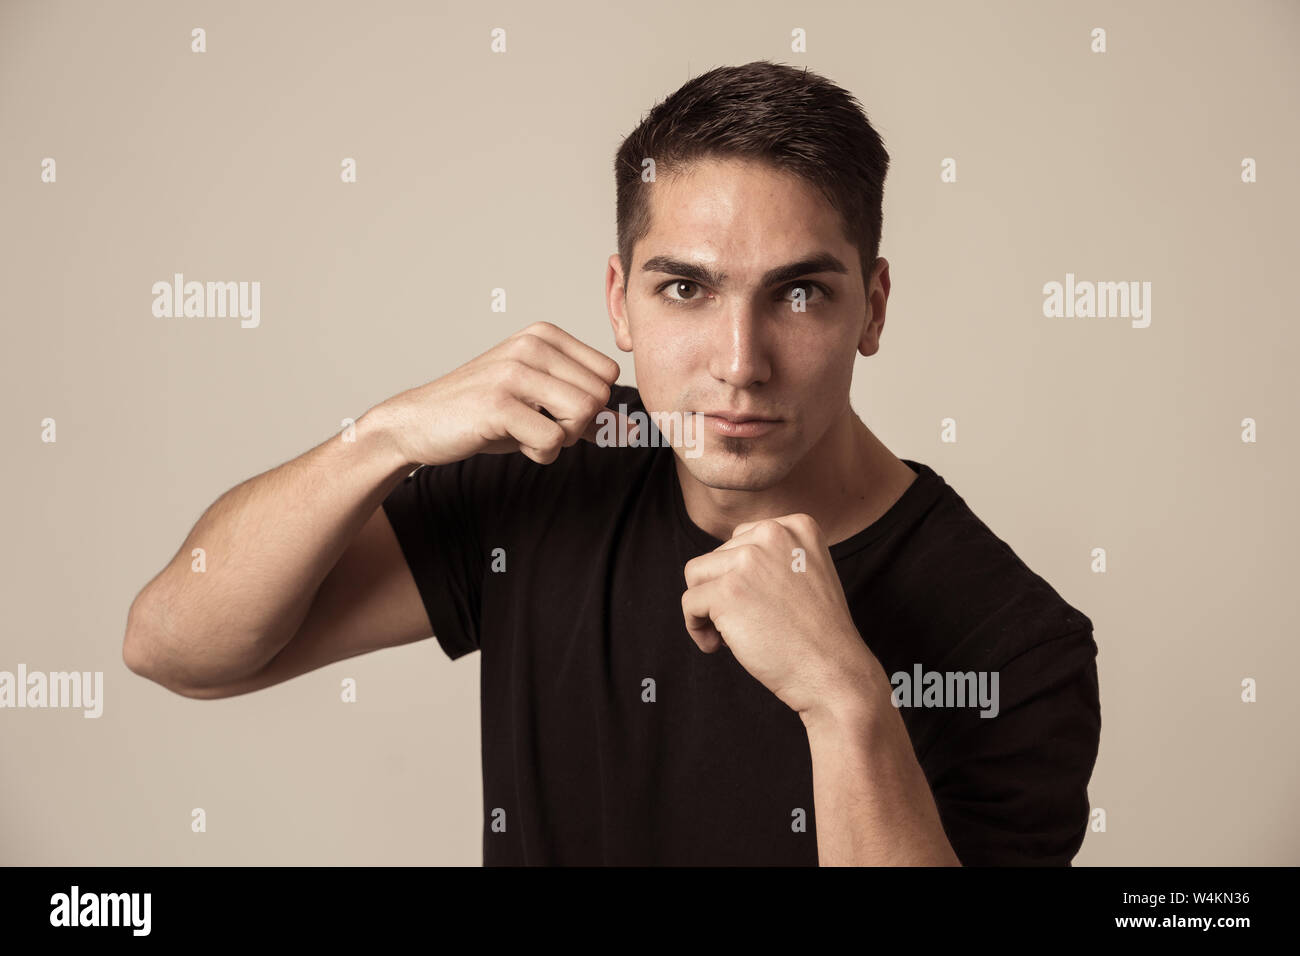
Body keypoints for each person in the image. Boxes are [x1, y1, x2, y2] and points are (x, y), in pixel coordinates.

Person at [124, 60, 1100, 866]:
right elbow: (178, 648)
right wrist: (382, 436)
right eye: (685, 287)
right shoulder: (550, 472)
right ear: (619, 301)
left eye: (798, 293)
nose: (737, 361)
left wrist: (844, 700)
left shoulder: (1015, 645)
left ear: (872, 307)